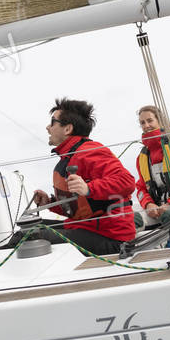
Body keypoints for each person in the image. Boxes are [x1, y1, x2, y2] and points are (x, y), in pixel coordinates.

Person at [26, 97, 136, 254]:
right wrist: (50, 202)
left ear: (67, 129)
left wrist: (88, 188)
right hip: (85, 228)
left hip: (111, 239)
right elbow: (77, 209)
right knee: (29, 228)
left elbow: (126, 182)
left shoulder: (89, 151)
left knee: (29, 236)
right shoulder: (69, 156)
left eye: (52, 122)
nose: (47, 127)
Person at [134, 105, 170, 225]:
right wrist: (148, 204)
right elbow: (141, 188)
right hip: (157, 208)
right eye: (142, 123)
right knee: (132, 220)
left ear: (160, 121)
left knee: (168, 215)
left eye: (150, 120)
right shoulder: (142, 157)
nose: (146, 126)